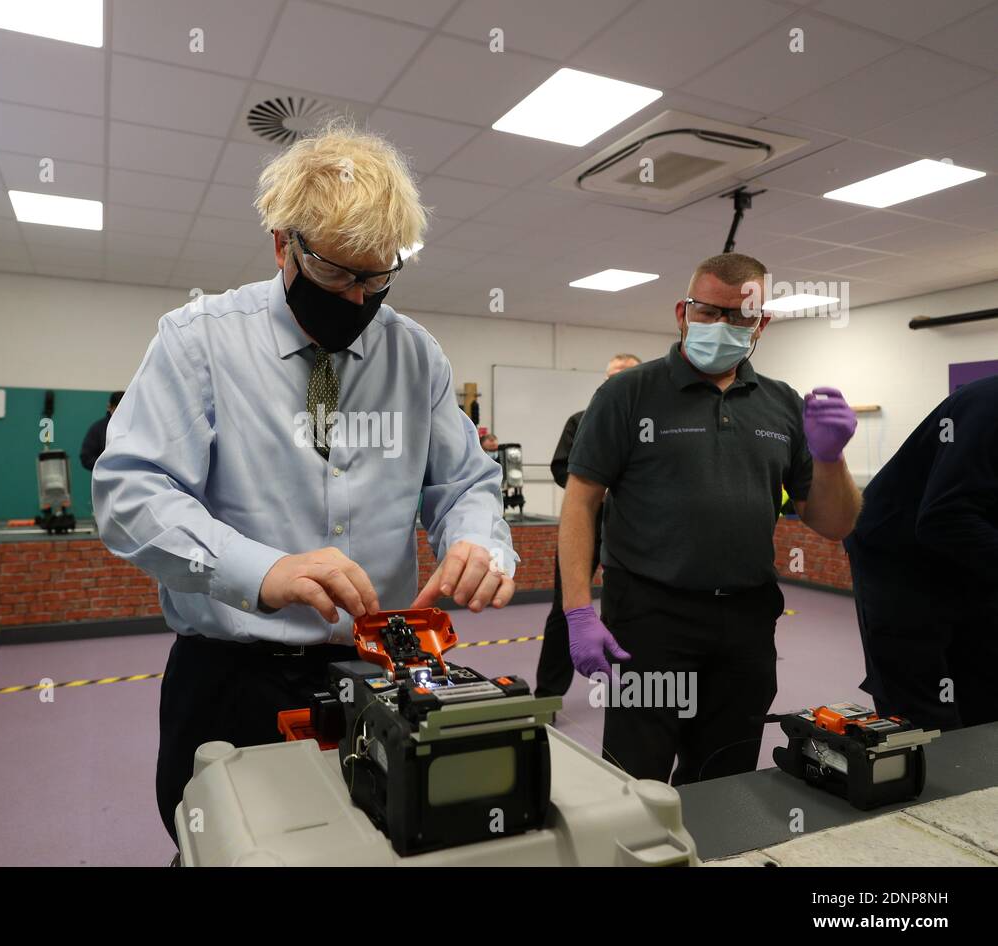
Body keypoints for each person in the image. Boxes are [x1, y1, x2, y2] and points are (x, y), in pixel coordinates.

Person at [92, 120, 517, 841]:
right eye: (337, 274)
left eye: (376, 276)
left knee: (375, 837)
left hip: (377, 664)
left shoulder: (417, 357)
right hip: (230, 673)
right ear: (283, 244)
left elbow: (464, 483)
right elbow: (130, 496)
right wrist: (265, 569)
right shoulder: (199, 341)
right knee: (230, 847)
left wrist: (479, 541)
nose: (356, 299)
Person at [560, 252, 862, 784]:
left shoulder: (782, 404)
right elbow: (582, 500)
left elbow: (833, 523)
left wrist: (832, 458)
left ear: (760, 324)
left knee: (727, 772)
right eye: (707, 312)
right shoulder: (628, 393)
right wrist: (578, 612)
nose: (721, 325)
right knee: (636, 774)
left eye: (739, 316)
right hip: (651, 620)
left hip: (746, 622)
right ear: (683, 312)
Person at [844, 374, 998, 731]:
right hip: (899, 561)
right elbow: (944, 518)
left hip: (971, 559)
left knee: (985, 690)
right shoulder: (988, 405)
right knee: (923, 713)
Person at [534, 353, 640, 700]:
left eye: (623, 375)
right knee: (566, 607)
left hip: (635, 528)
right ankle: (548, 694)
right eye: (610, 376)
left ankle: (627, 687)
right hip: (586, 522)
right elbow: (560, 467)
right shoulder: (581, 420)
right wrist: (597, 488)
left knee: (629, 606)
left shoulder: (652, 424)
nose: (615, 382)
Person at [80, 391, 123, 471]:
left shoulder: (133, 428)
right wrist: (106, 466)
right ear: (109, 407)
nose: (121, 414)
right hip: (104, 478)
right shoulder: (98, 428)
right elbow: (86, 457)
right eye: (117, 410)